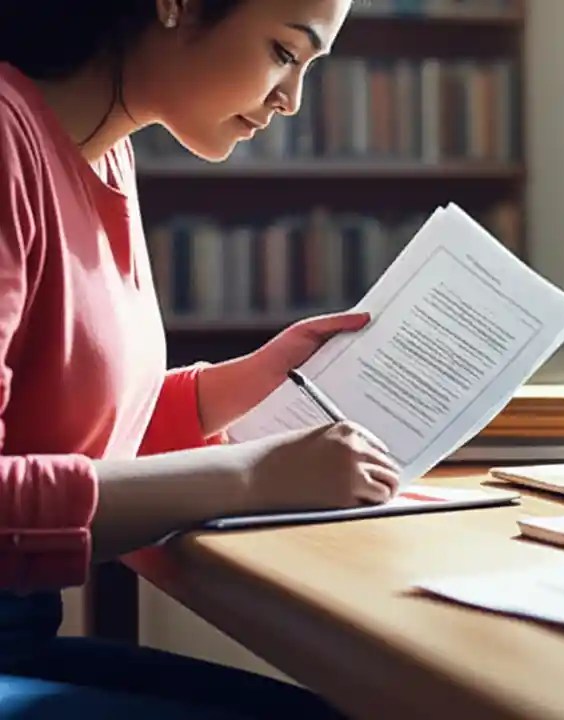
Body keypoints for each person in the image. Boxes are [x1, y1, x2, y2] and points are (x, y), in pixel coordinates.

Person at [0, 0, 398, 716]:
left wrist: (245, 382)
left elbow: (63, 438)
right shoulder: (6, 140)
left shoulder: (105, 148)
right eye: (283, 52)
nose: (291, 101)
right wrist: (247, 477)